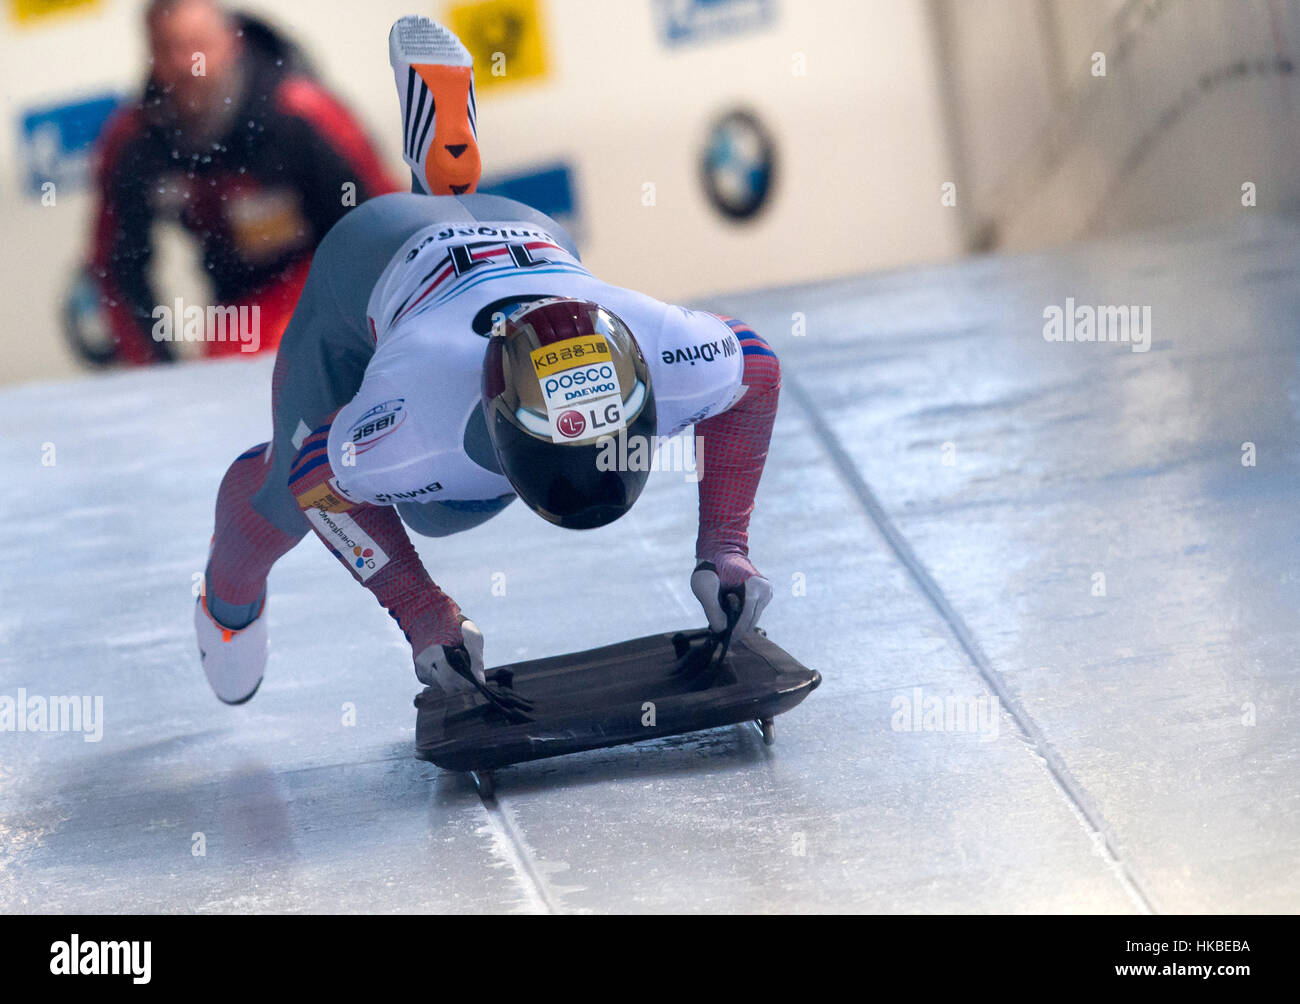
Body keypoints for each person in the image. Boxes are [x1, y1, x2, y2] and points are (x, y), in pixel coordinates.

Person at [195, 16, 779, 706]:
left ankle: (442, 167)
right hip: (372, 262)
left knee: (441, 502)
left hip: (511, 237)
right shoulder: (421, 422)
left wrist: (726, 548)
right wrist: (416, 608)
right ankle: (225, 611)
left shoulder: (669, 353)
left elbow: (757, 368)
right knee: (326, 504)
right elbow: (314, 478)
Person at [77, 0, 399, 366]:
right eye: (169, 49)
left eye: (197, 45)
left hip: (328, 286)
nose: (187, 64)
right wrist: (156, 372)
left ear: (232, 42)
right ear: (150, 55)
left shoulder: (301, 111)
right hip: (236, 315)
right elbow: (117, 267)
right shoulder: (134, 141)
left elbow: (385, 220)